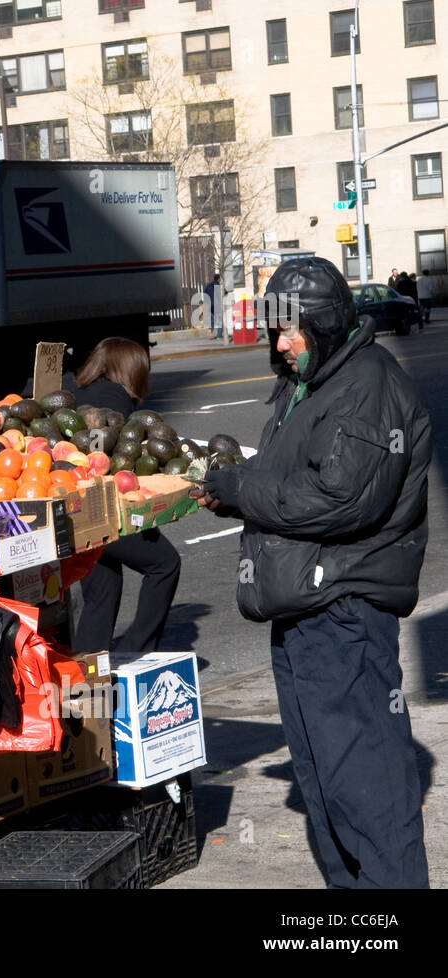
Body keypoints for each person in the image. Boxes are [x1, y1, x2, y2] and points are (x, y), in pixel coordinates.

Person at [192, 257, 431, 888]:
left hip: (343, 614)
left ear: (322, 324)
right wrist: (237, 482)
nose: (279, 344)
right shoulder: (316, 382)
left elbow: (343, 498)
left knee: (368, 792)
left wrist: (241, 488)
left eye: (288, 331)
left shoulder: (367, 383)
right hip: (304, 614)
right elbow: (292, 473)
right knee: (326, 792)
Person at [64, 337, 181, 655]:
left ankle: (87, 693)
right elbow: (106, 454)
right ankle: (137, 652)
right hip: (99, 508)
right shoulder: (113, 396)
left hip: (71, 506)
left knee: (103, 591)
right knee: (165, 564)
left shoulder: (77, 391)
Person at [202, 274, 224, 340]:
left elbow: (204, 294)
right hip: (215, 305)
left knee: (212, 321)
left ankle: (209, 331)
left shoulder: (208, 285)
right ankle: (219, 336)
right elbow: (223, 293)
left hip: (208, 305)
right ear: (218, 279)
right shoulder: (217, 285)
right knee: (220, 320)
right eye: (220, 279)